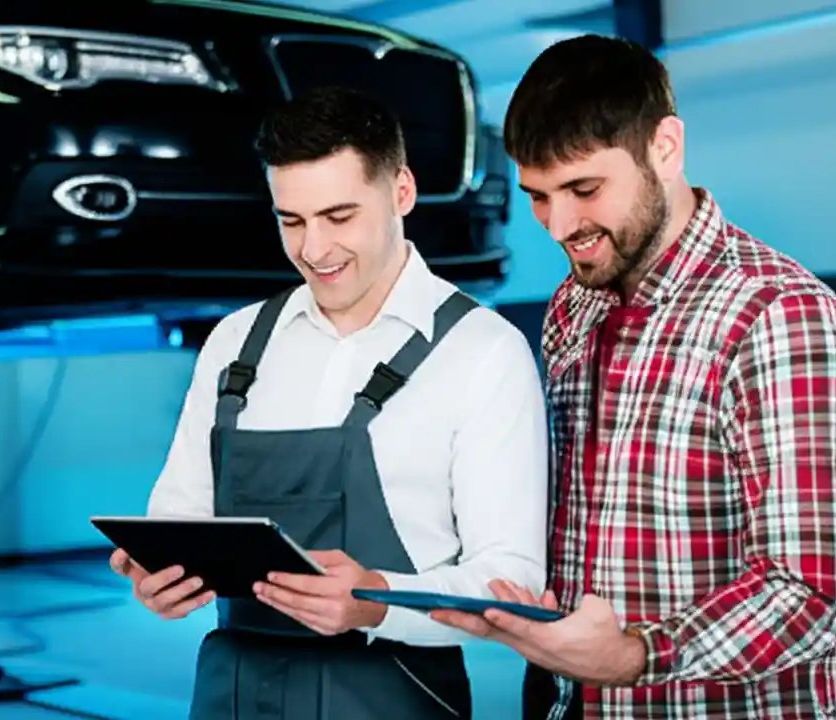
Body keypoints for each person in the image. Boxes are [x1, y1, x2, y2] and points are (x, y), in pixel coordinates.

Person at [430, 34, 836, 719]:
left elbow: (810, 594)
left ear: (665, 148)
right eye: (539, 196)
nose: (559, 226)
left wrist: (636, 655)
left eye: (584, 189)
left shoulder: (780, 317)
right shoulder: (572, 307)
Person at [108, 85, 550, 719]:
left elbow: (512, 583)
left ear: (401, 191)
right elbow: (179, 509)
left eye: (339, 217)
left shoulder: (482, 352)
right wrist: (162, 579)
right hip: (231, 696)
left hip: (392, 696)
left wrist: (380, 600)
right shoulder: (236, 344)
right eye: (292, 221)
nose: (313, 250)